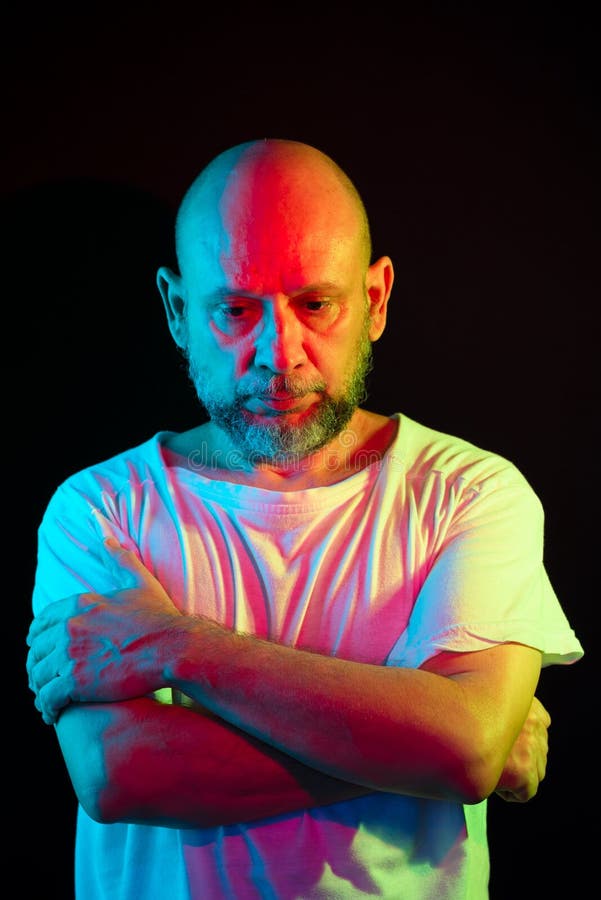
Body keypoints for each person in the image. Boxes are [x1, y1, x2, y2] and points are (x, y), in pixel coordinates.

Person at [26, 138, 583, 900]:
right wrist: (428, 750)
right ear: (178, 311)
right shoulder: (100, 510)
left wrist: (174, 645)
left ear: (375, 300)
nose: (278, 354)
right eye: (234, 310)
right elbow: (119, 773)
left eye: (315, 305)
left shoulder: (470, 492)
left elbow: (467, 750)